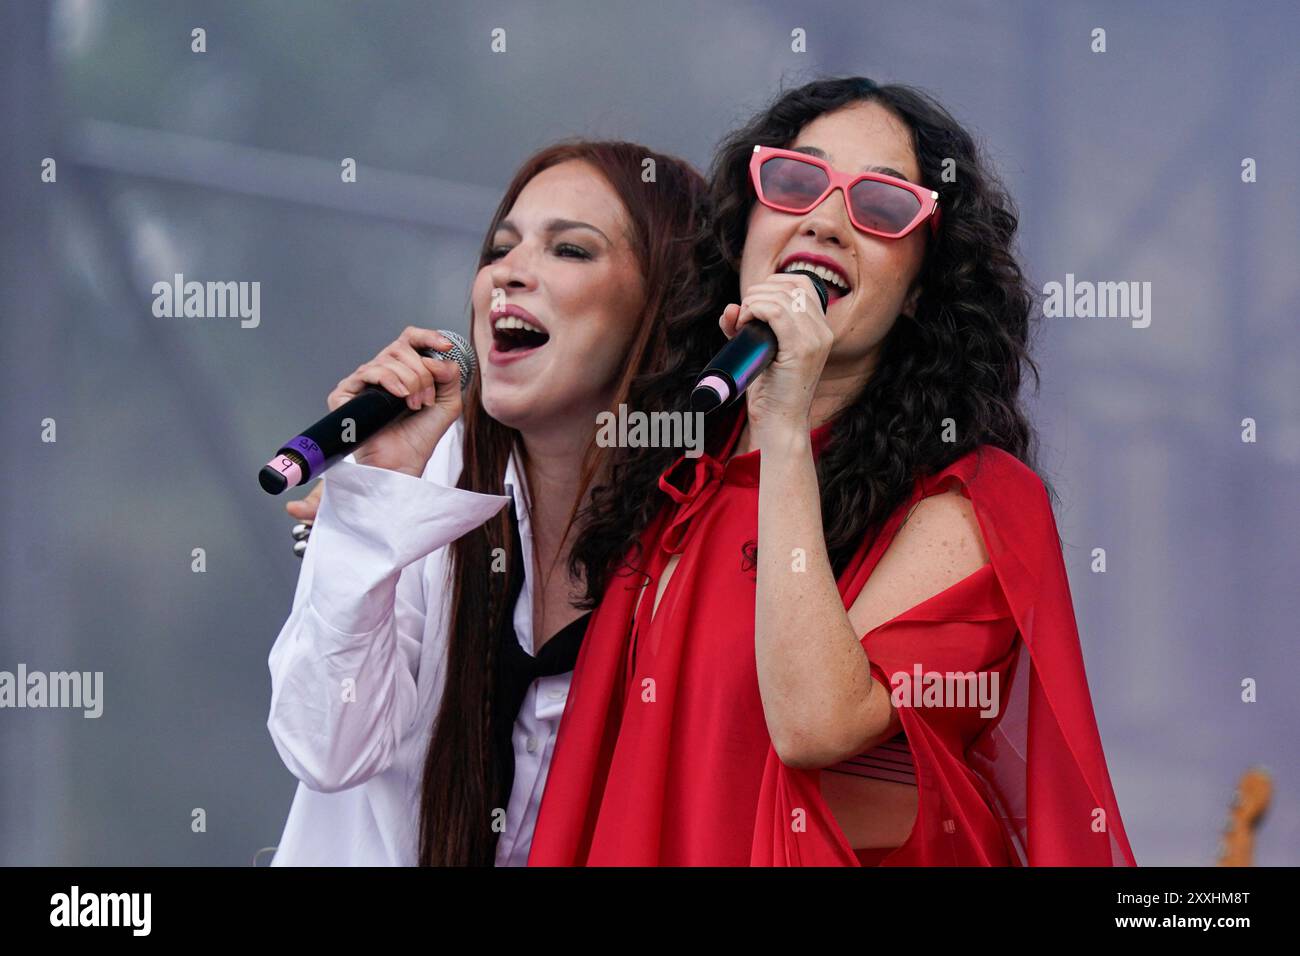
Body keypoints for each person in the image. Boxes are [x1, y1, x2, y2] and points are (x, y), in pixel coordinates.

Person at [529, 77, 1138, 866]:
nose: (823, 219)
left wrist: (785, 427)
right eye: (795, 181)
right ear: (745, 230)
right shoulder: (674, 466)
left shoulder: (971, 502)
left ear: (920, 288)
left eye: (881, 206)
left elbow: (816, 725)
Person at [266, 140, 726, 865]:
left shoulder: (709, 537)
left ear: (667, 305)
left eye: (570, 250)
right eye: (500, 249)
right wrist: (377, 497)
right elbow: (324, 749)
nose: (508, 274)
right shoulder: (423, 480)